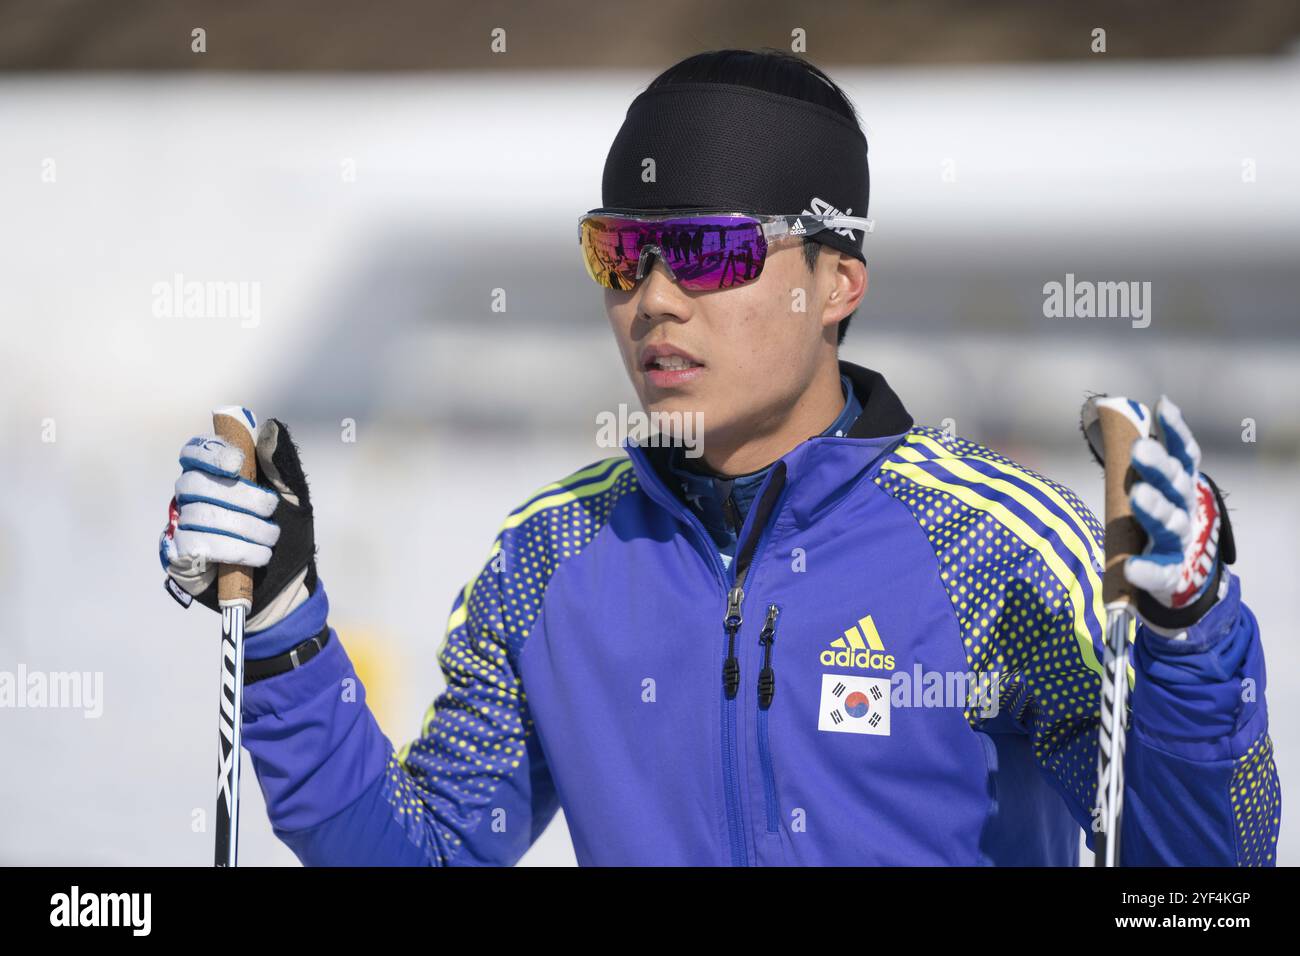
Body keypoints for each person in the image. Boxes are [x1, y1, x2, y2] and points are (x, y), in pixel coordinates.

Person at [159, 49, 1280, 866]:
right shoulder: (553, 551)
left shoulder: (995, 545)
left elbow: (1196, 881)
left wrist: (1189, 636)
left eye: (705, 250)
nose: (652, 298)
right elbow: (423, 854)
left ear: (837, 282)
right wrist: (283, 626)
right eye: (622, 251)